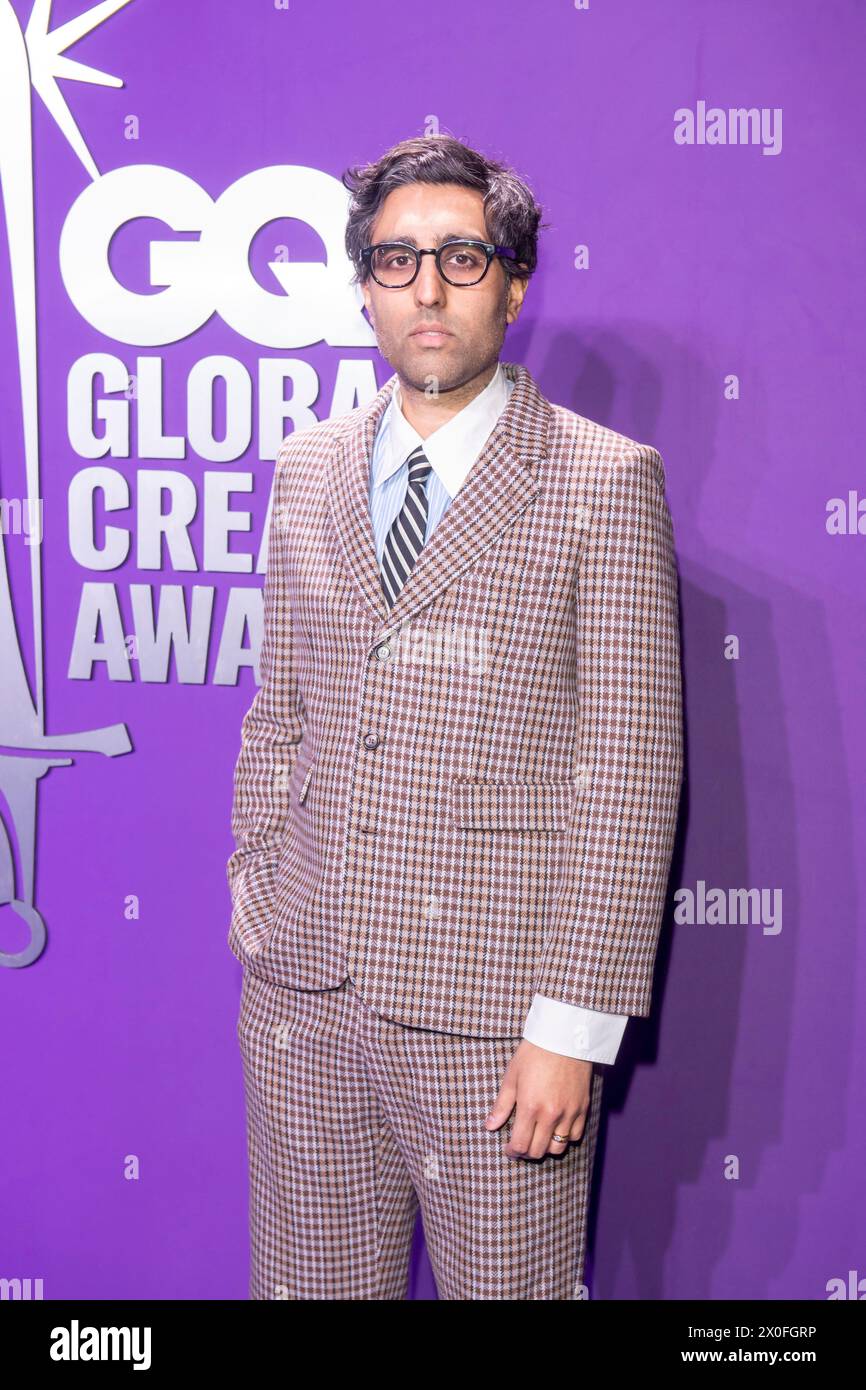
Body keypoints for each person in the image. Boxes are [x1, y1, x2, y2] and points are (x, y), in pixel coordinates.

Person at [227, 133, 684, 1300]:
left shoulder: (600, 481)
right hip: (302, 998)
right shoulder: (306, 467)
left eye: (461, 258)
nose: (425, 289)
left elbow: (627, 771)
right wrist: (258, 892)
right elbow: (279, 713)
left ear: (514, 282)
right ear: (365, 286)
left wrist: (570, 1028)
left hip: (497, 1028)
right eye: (395, 260)